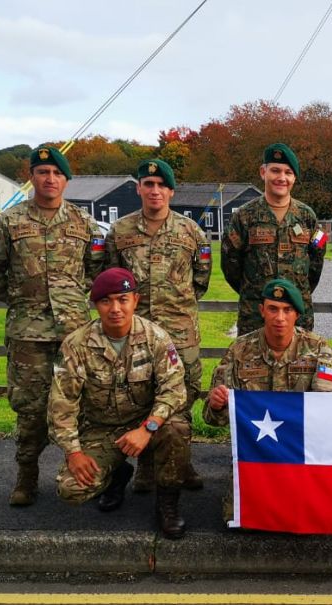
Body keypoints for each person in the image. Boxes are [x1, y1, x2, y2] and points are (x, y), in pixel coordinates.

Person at [0, 145, 106, 506]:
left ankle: (88, 473)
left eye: (57, 174)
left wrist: (70, 301)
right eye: (42, 172)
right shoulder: (8, 223)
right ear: (31, 176)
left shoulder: (85, 224)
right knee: (30, 409)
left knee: (82, 405)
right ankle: (26, 477)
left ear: (66, 179)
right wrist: (23, 299)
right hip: (28, 334)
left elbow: (95, 275)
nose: (50, 179)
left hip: (74, 335)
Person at [48, 268, 190, 537]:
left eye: (123, 299)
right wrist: (73, 453)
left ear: (135, 300)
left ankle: (167, 504)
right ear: (96, 305)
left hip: (147, 423)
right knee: (72, 489)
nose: (115, 308)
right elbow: (61, 403)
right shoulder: (76, 345)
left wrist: (148, 428)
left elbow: (174, 390)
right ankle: (115, 475)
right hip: (101, 429)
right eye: (106, 301)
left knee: (177, 430)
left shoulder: (156, 338)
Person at [105, 159, 211, 492]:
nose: (155, 190)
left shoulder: (191, 231)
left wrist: (176, 308)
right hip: (136, 334)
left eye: (161, 185)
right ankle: (147, 468)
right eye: (148, 184)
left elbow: (201, 281)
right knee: (139, 396)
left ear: (171, 191)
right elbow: (110, 280)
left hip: (180, 333)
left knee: (183, 398)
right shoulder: (120, 232)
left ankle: (183, 462)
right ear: (138, 188)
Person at [204, 279, 332, 522]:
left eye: (287, 310)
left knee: (312, 517)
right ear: (261, 311)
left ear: (297, 314)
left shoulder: (318, 349)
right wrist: (217, 404)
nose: (280, 317)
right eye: (273, 309)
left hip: (300, 452)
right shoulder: (239, 350)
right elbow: (212, 417)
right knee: (240, 517)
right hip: (256, 453)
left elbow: (326, 409)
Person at [221, 143, 326, 335]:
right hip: (255, 315)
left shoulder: (308, 217)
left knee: (298, 364)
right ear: (263, 172)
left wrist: (297, 293)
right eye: (275, 170)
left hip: (297, 314)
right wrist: (254, 293)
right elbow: (231, 265)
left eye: (288, 172)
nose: (282, 178)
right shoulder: (244, 217)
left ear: (294, 177)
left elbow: (316, 263)